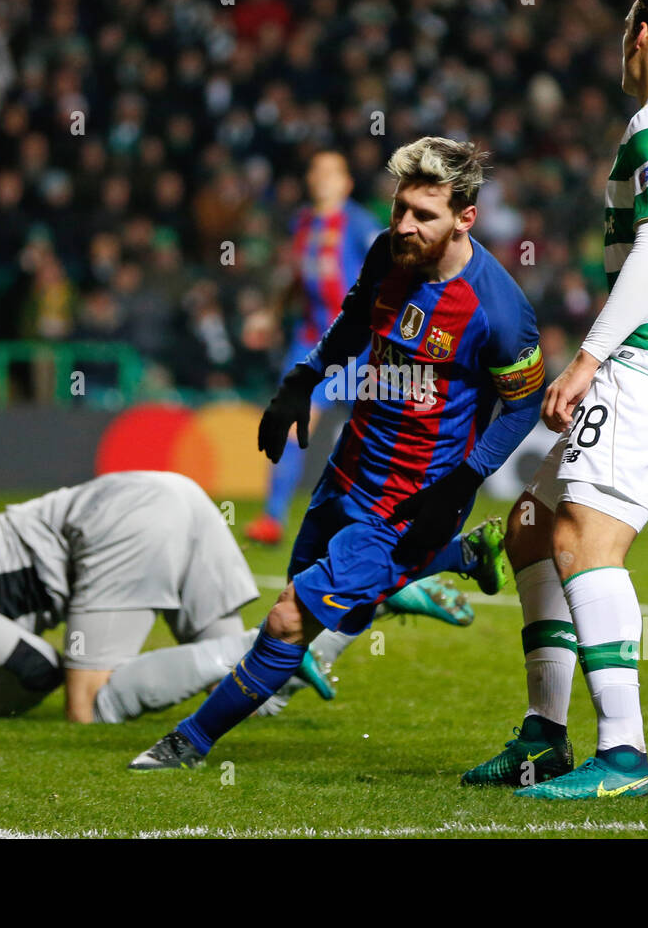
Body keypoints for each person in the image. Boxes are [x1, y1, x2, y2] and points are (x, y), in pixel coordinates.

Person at [130, 137, 546, 771]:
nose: (404, 224)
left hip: (412, 500)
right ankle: (460, 557)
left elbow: (522, 405)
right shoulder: (387, 253)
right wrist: (305, 376)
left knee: (288, 619)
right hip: (347, 471)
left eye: (423, 215)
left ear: (466, 217)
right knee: (305, 604)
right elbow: (353, 320)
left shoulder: (499, 308)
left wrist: (464, 481)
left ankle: (188, 742)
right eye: (400, 207)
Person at [462, 0, 648, 800]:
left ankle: (623, 753)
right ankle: (544, 737)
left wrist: (591, 356)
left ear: (644, 36)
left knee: (584, 538)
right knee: (530, 524)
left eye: (628, 26)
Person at [0, 471, 472, 724]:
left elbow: (37, 668)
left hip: (118, 523)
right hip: (173, 492)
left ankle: (272, 638)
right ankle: (377, 595)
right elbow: (10, 627)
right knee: (247, 696)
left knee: (90, 706)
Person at [245, 150, 382, 546]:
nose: (321, 178)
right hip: (310, 340)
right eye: (315, 170)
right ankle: (272, 519)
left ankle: (385, 520)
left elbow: (387, 273)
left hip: (358, 343)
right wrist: (270, 315)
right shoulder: (302, 223)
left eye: (330, 172)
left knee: (376, 432)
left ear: (346, 183)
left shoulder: (360, 225)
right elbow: (294, 276)